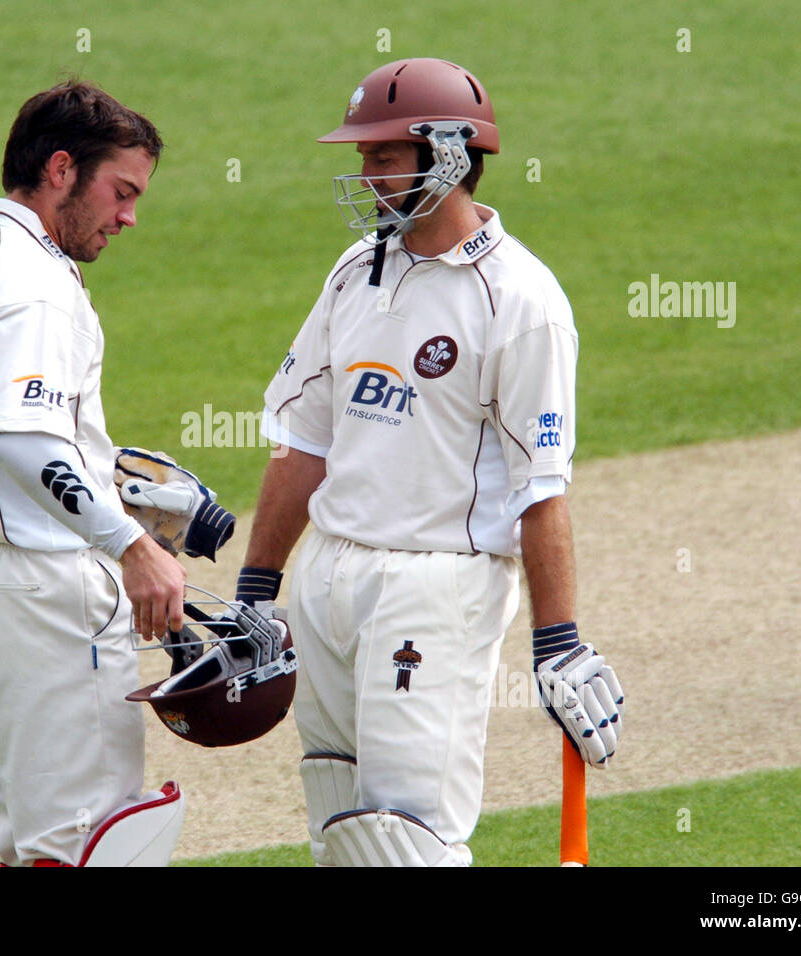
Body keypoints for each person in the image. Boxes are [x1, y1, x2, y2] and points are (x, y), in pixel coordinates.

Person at [236, 58, 624, 866]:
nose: (365, 174)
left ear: (448, 154)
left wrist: (559, 640)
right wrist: (257, 590)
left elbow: (540, 486)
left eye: (382, 156)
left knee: (406, 837)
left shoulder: (519, 299)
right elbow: (305, 441)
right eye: (362, 157)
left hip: (433, 590)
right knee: (339, 826)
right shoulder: (354, 272)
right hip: (328, 579)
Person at [0, 81, 206, 866]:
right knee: (87, 845)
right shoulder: (36, 284)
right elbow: (25, 441)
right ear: (63, 169)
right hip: (37, 591)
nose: (130, 216)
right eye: (122, 191)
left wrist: (114, 482)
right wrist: (133, 547)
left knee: (22, 841)